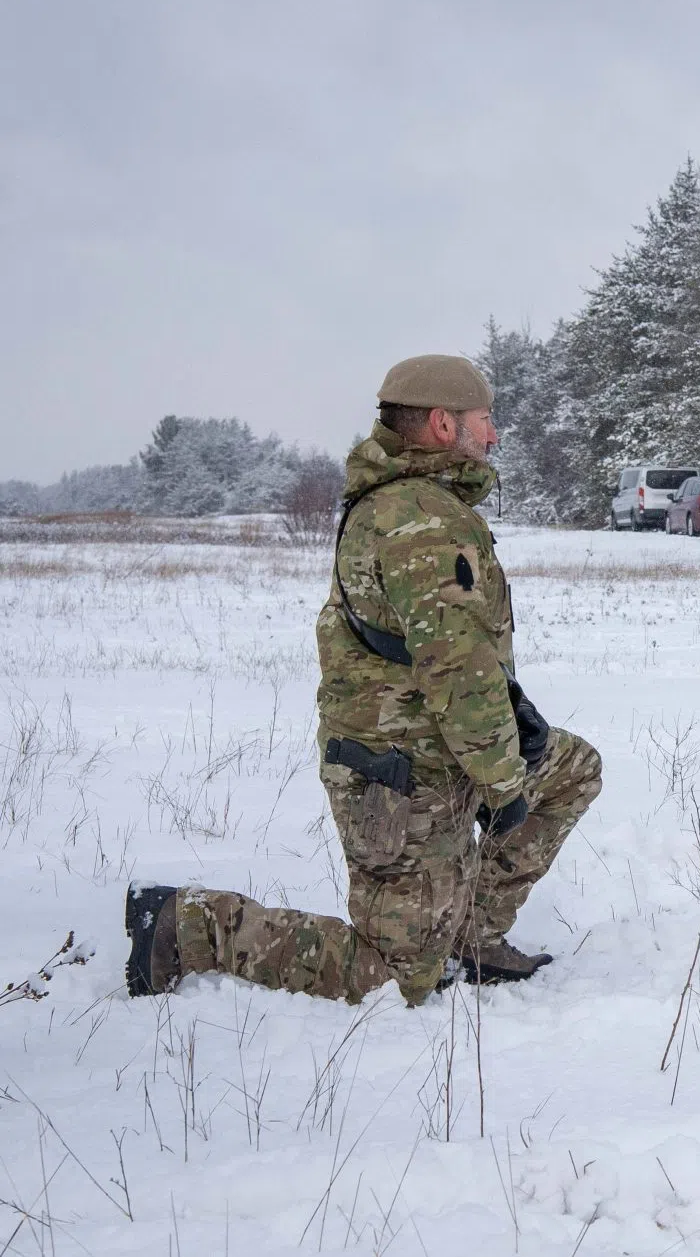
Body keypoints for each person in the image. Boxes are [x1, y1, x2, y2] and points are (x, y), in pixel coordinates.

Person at [125, 356, 603, 1004]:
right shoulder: (422, 519)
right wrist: (500, 779)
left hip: (440, 744)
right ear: (442, 423)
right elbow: (456, 666)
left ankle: (466, 934)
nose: (493, 436)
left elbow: (453, 651)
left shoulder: (416, 503)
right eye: (485, 420)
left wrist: (510, 722)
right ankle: (185, 927)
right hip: (400, 776)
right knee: (396, 978)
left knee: (571, 768)